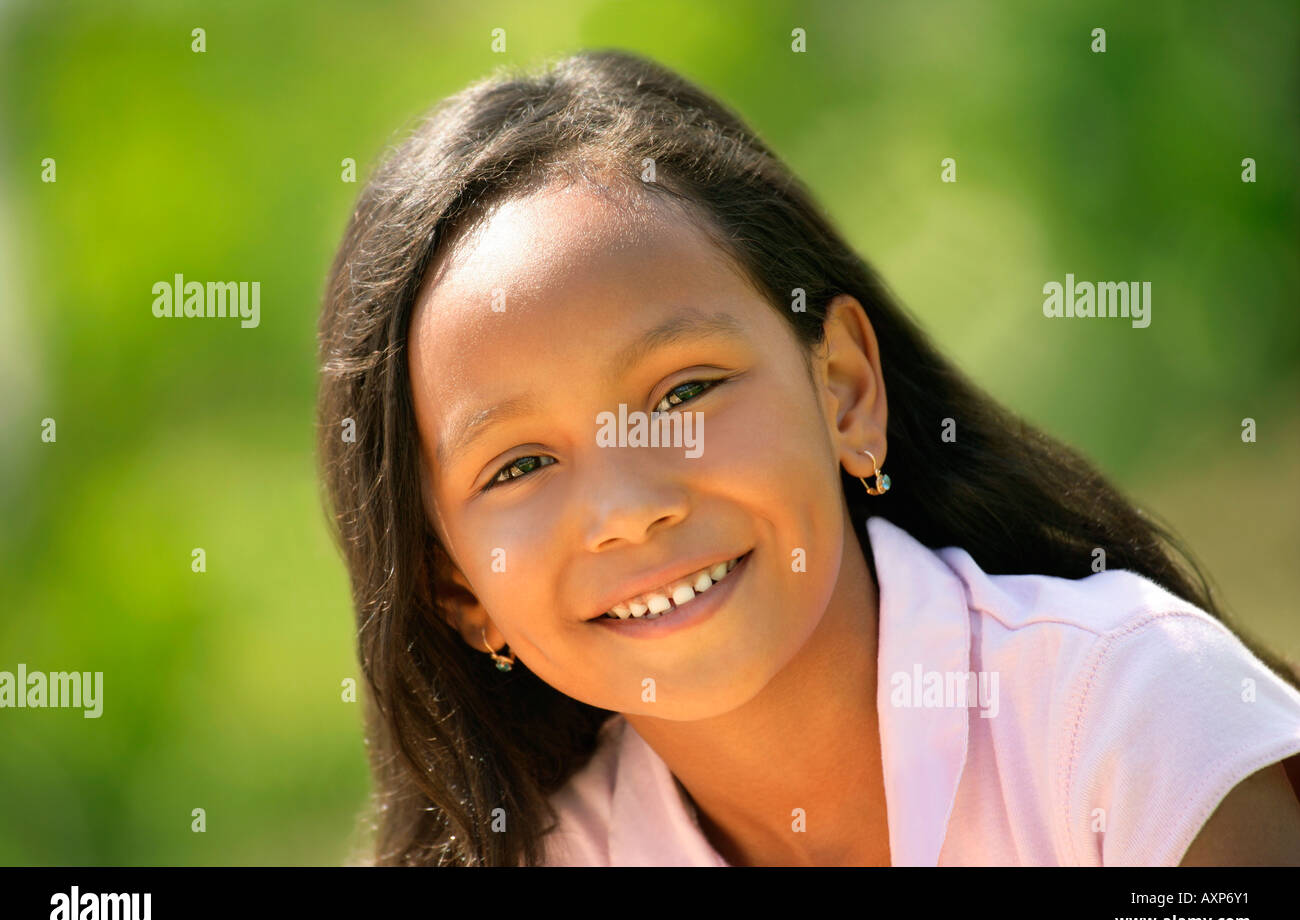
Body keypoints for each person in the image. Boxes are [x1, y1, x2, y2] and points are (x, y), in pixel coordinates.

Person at [316, 49, 1300, 866]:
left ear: (844, 391)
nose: (627, 504)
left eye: (685, 392)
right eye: (519, 464)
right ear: (456, 587)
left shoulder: (1123, 713)